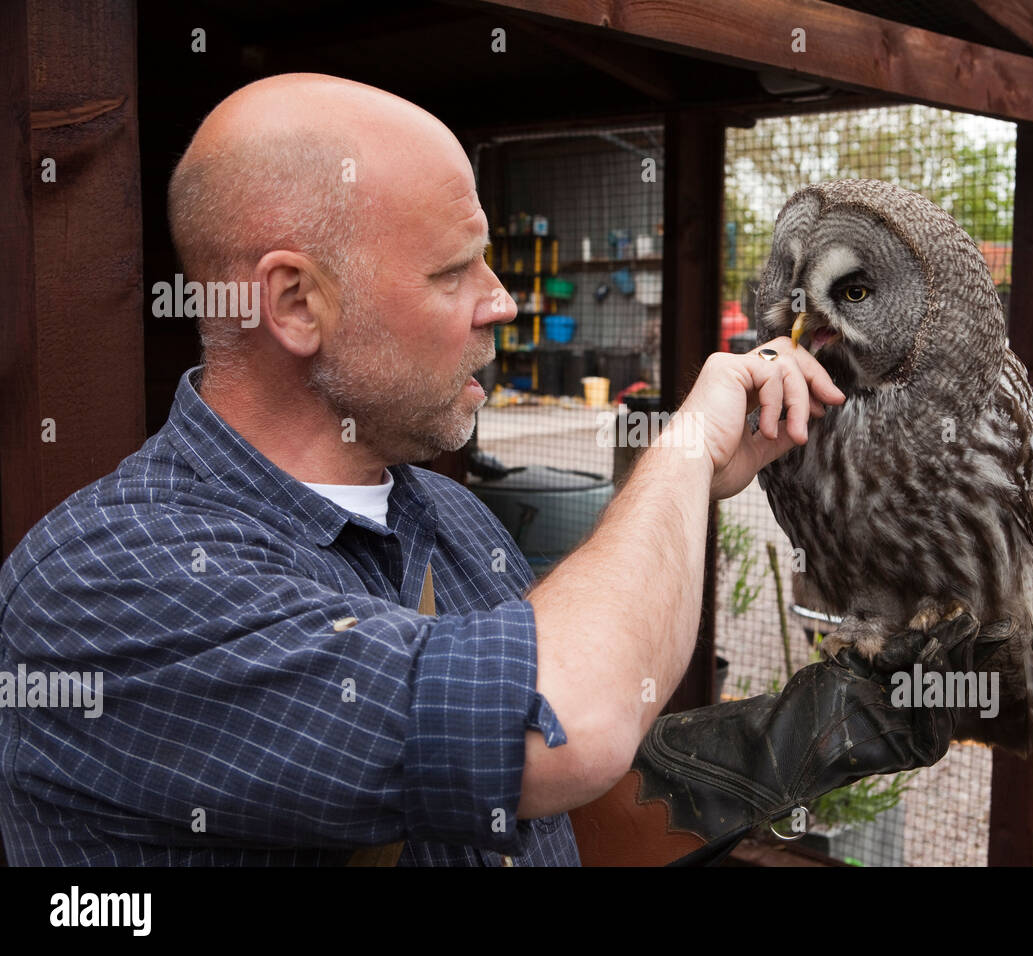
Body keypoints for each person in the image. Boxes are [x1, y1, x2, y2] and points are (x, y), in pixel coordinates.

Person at [0, 74, 976, 867]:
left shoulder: (448, 519)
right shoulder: (109, 582)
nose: (502, 303)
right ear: (294, 302)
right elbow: (563, 722)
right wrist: (682, 449)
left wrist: (808, 733)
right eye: (452, 271)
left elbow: (570, 808)